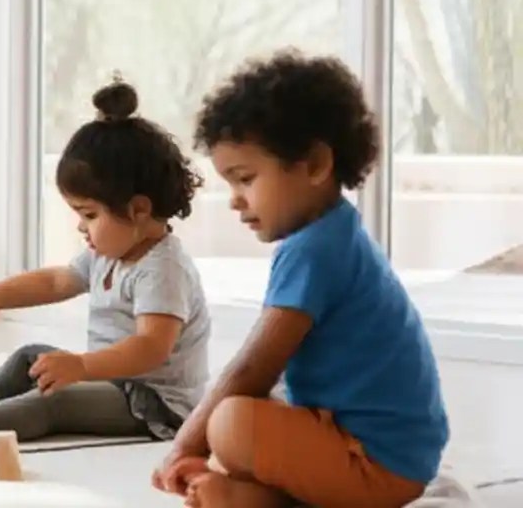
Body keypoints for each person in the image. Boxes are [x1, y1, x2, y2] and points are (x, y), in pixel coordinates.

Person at [153, 51, 449, 508]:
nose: (234, 200)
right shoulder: (335, 234)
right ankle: (249, 498)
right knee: (249, 419)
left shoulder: (315, 250)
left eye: (245, 178)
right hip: (392, 455)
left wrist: (185, 445)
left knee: (231, 423)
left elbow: (254, 367)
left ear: (314, 165)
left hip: (374, 463)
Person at [0, 79, 211, 449]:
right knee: (30, 359)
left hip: (155, 404)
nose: (81, 226)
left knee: (55, 398)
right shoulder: (107, 255)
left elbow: (151, 347)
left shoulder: (163, 269)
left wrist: (82, 366)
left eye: (89, 214)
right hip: (112, 383)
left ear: (139, 209)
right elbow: (57, 282)